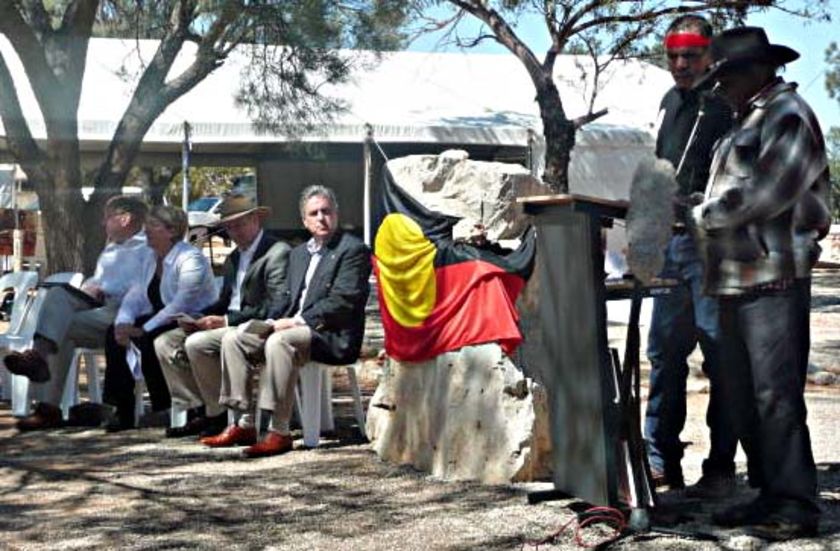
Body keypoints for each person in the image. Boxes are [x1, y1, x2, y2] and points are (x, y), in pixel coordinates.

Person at [692, 27, 830, 540]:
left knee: (775, 393)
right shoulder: (745, 119)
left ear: (752, 72)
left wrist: (702, 214)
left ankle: (795, 502)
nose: (721, 88)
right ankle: (769, 492)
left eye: (726, 77)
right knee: (744, 393)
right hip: (736, 276)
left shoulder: (787, 115)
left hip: (772, 274)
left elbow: (768, 190)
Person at [202, 185, 371, 457]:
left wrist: (297, 321)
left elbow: (343, 302)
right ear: (304, 220)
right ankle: (243, 422)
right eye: (313, 213)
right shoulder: (299, 253)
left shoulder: (352, 250)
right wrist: (266, 320)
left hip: (328, 333)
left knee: (279, 341)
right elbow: (284, 299)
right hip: (290, 326)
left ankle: (278, 430)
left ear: (336, 214)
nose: (321, 218)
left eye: (326, 211)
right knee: (235, 337)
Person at [643, 14, 737, 495]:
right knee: (663, 353)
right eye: (673, 55)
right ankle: (660, 458)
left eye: (691, 55)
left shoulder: (725, 104)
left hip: (712, 244)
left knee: (720, 353)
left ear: (709, 54)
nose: (681, 64)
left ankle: (721, 466)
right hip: (670, 243)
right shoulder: (667, 101)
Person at [5, 195, 151, 431]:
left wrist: (100, 288)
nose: (103, 223)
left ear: (125, 219)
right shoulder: (114, 247)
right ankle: (44, 385)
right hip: (103, 307)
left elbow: (137, 288)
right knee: (58, 299)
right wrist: (88, 289)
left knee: (60, 327)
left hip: (129, 313)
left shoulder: (147, 246)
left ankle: (45, 394)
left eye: (107, 217)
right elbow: (100, 281)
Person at [154, 195, 290, 438]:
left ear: (256, 220)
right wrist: (198, 318)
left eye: (240, 224)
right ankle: (201, 410)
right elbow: (225, 301)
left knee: (197, 343)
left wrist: (226, 321)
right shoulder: (235, 256)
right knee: (165, 342)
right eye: (229, 227)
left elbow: (276, 305)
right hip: (229, 322)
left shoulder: (276, 252)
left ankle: (222, 415)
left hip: (255, 326)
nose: (234, 231)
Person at [102, 205, 218, 431]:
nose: (146, 231)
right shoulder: (150, 258)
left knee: (150, 338)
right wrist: (123, 323)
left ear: (172, 231)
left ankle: (165, 407)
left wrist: (144, 329)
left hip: (193, 319)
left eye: (153, 226)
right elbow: (137, 293)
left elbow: (180, 303)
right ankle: (122, 409)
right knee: (112, 335)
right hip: (162, 316)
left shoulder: (190, 258)